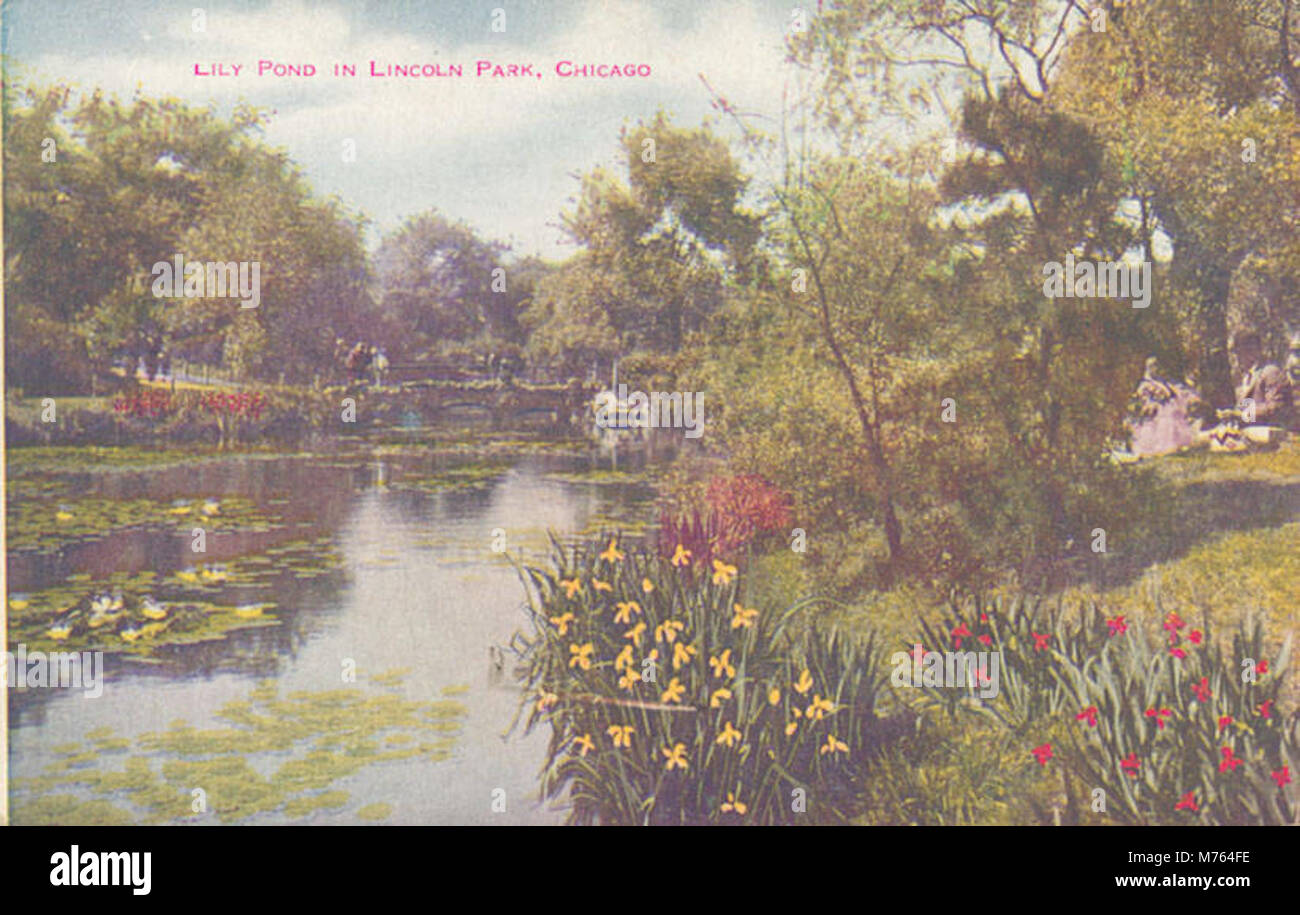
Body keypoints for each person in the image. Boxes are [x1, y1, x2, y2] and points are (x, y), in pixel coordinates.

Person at [1126, 356, 1203, 457]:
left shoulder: (1163, 382)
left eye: (1156, 366)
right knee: (1159, 421)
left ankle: (1174, 444)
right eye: (1152, 367)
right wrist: (1152, 403)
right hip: (1154, 410)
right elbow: (1142, 398)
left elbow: (1174, 393)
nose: (1155, 369)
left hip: (1166, 407)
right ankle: (1157, 447)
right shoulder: (1145, 384)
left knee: (1172, 415)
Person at [1232, 331, 1293, 427]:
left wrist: (1242, 414)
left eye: (1240, 352)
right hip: (1249, 433)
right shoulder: (1246, 377)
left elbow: (1275, 408)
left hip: (1270, 435)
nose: (1238, 358)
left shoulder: (1270, 372)